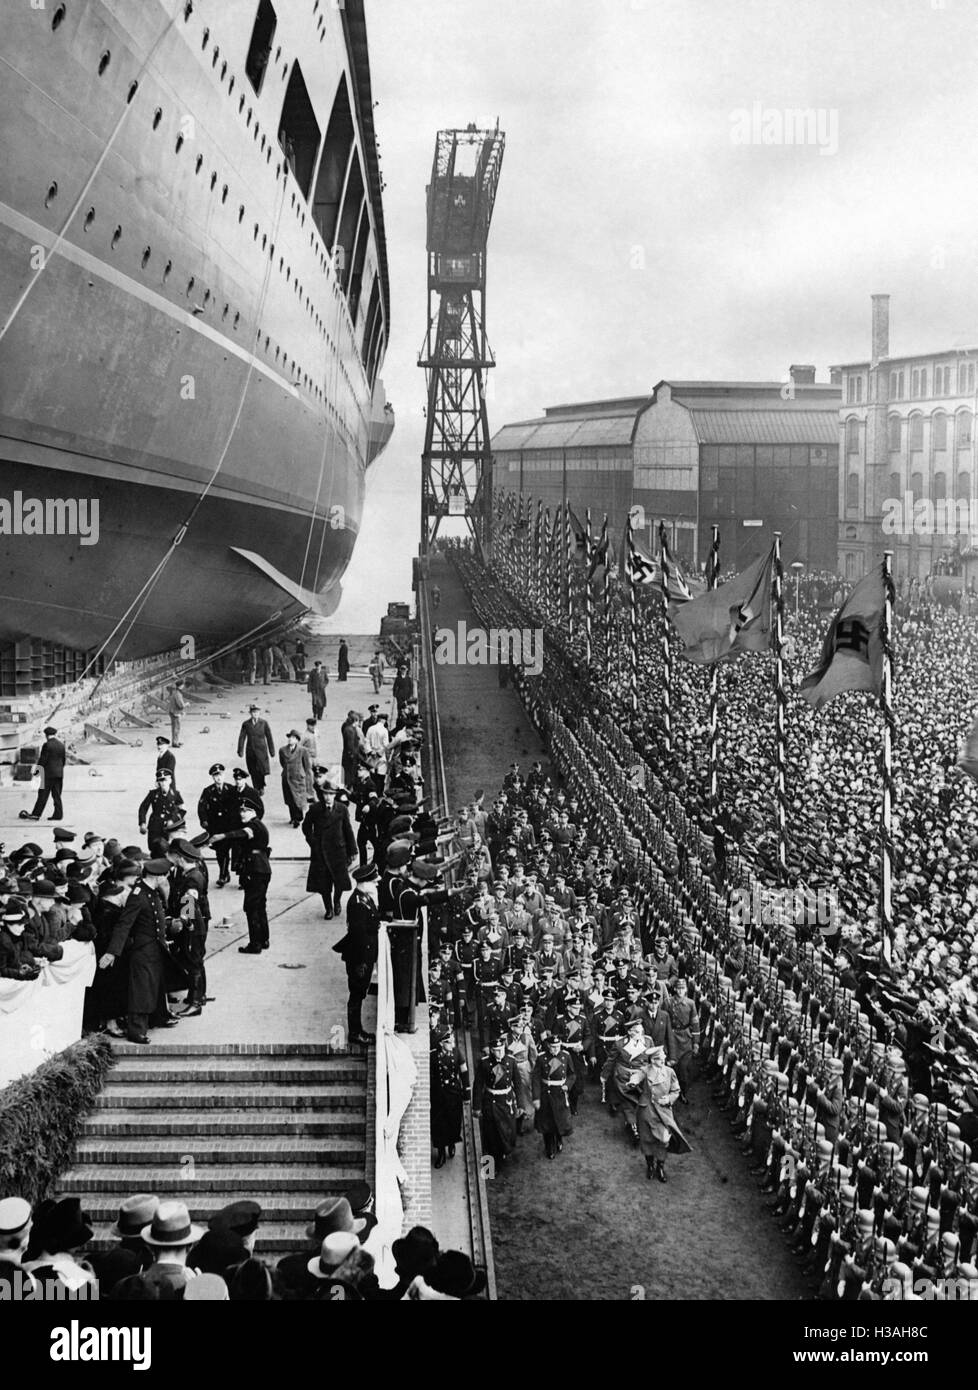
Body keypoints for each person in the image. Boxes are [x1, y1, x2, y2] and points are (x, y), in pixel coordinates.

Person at [97, 857, 173, 1044]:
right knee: (142, 989)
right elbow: (124, 925)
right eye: (165, 876)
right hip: (144, 949)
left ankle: (159, 1016)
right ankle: (138, 1029)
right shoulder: (139, 895)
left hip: (156, 947)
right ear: (157, 876)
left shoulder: (150, 892)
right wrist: (112, 951)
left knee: (153, 984)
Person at [112, 1201, 205, 1300]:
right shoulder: (195, 1289)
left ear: (150, 1247)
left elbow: (95, 1294)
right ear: (190, 1246)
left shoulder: (123, 1286)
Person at [211, 805, 271, 955]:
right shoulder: (259, 825)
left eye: (246, 811)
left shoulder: (253, 826)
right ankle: (263, 939)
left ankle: (255, 944)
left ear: (254, 813)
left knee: (251, 907)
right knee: (260, 905)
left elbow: (242, 834)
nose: (242, 814)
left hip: (254, 870)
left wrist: (222, 836)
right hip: (263, 868)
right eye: (241, 811)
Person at [332, 864, 379, 1045]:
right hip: (359, 959)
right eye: (373, 882)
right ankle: (355, 1032)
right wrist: (363, 964)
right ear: (364, 883)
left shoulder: (364, 898)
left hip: (363, 957)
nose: (375, 885)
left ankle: (357, 1030)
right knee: (357, 995)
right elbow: (358, 936)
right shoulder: (358, 904)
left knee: (359, 994)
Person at [302, 775, 356, 920]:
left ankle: (337, 900)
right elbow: (306, 826)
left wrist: (353, 850)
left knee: (339, 881)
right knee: (323, 884)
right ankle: (328, 908)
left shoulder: (342, 809)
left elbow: (348, 830)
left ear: (335, 795)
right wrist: (312, 841)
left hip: (338, 850)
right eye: (325, 794)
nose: (328, 797)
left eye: (331, 794)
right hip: (320, 851)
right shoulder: (315, 809)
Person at [636, 1045, 691, 1182]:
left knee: (664, 1139)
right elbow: (638, 1076)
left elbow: (676, 1090)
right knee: (647, 1140)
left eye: (663, 1057)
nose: (664, 1060)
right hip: (647, 1110)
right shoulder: (646, 1070)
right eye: (660, 1059)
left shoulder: (669, 1072)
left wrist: (669, 1098)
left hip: (664, 1112)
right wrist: (633, 1081)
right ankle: (650, 1166)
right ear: (653, 1060)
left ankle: (660, 1167)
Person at [472, 1034, 519, 1167]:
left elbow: (518, 1083)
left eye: (502, 1049)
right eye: (497, 1050)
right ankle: (489, 1169)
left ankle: (502, 1155)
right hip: (490, 1103)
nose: (500, 1053)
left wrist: (520, 1104)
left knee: (506, 1131)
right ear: (492, 1050)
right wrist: (476, 1107)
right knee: (490, 1135)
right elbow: (478, 1085)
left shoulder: (511, 1061)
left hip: (506, 1102)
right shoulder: (485, 1063)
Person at [532, 1031, 574, 1159]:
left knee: (560, 1120)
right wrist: (536, 1098)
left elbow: (572, 1074)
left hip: (560, 1094)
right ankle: (549, 1147)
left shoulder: (566, 1056)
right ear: (548, 1046)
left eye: (558, 1046)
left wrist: (567, 1084)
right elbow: (536, 1078)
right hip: (546, 1094)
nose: (556, 1049)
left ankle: (559, 1139)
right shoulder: (541, 1057)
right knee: (547, 1123)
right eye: (553, 1047)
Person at [430, 1026, 465, 1168]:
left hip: (454, 1094)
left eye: (452, 1041)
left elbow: (464, 1073)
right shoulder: (433, 1056)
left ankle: (451, 1143)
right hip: (439, 1096)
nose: (452, 1044)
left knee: (453, 1121)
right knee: (438, 1125)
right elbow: (430, 1076)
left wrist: (466, 1091)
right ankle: (441, 1153)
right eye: (448, 1042)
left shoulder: (457, 1054)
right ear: (441, 1044)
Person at [197, 763, 237, 887]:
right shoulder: (208, 791)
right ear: (212, 777)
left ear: (224, 775)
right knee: (220, 852)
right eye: (215, 776)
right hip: (216, 827)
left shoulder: (231, 789)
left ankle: (224, 874)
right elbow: (201, 807)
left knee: (228, 851)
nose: (218, 778)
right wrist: (204, 821)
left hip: (229, 826)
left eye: (220, 775)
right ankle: (224, 874)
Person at [22, 725, 66, 822]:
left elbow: (43, 760)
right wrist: (59, 770)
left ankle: (36, 814)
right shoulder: (61, 745)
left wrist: (36, 773)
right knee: (57, 795)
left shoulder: (47, 745)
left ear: (46, 735)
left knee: (42, 795)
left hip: (48, 775)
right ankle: (58, 815)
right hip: (59, 774)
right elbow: (63, 761)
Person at [137, 768, 185, 855]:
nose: (163, 783)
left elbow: (182, 810)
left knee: (170, 851)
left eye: (165, 780)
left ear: (170, 780)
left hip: (169, 829)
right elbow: (143, 808)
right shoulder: (153, 794)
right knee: (155, 850)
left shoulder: (176, 794)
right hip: (155, 828)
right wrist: (142, 823)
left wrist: (172, 820)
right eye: (160, 781)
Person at [236, 704, 275, 794]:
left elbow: (269, 737)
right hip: (251, 751)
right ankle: (256, 788)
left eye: (257, 712)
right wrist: (240, 750)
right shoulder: (246, 724)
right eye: (253, 712)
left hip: (262, 751)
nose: (255, 714)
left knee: (261, 770)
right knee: (253, 770)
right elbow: (242, 737)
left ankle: (261, 786)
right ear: (250, 713)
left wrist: (272, 751)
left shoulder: (264, 723)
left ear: (259, 713)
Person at [279, 729, 312, 828]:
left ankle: (298, 818)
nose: (290, 739)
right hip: (287, 778)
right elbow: (282, 763)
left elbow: (307, 766)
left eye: (293, 738)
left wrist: (304, 776)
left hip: (298, 779)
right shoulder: (282, 750)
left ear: (297, 740)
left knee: (298, 799)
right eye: (289, 737)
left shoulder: (302, 750)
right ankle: (293, 817)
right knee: (290, 799)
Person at [167, 680, 186, 747]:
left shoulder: (174, 692)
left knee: (175, 727)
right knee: (176, 728)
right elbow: (180, 705)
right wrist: (186, 704)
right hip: (175, 712)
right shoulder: (178, 694)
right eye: (183, 685)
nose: (183, 686)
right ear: (181, 686)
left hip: (173, 711)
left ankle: (176, 741)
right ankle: (175, 743)